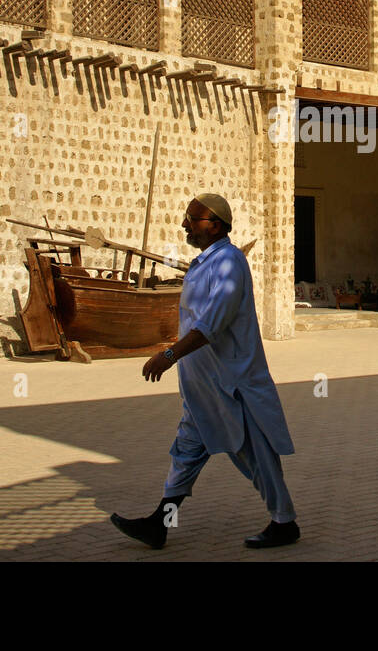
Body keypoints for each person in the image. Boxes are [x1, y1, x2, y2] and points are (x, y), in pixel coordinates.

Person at [110, 193, 300, 550]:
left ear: (214, 226)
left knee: (256, 454)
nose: (184, 224)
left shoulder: (229, 263)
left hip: (231, 385)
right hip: (201, 388)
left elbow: (211, 324)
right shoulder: (204, 262)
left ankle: (284, 521)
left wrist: (168, 355)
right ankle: (159, 524)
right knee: (185, 455)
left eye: (192, 219)